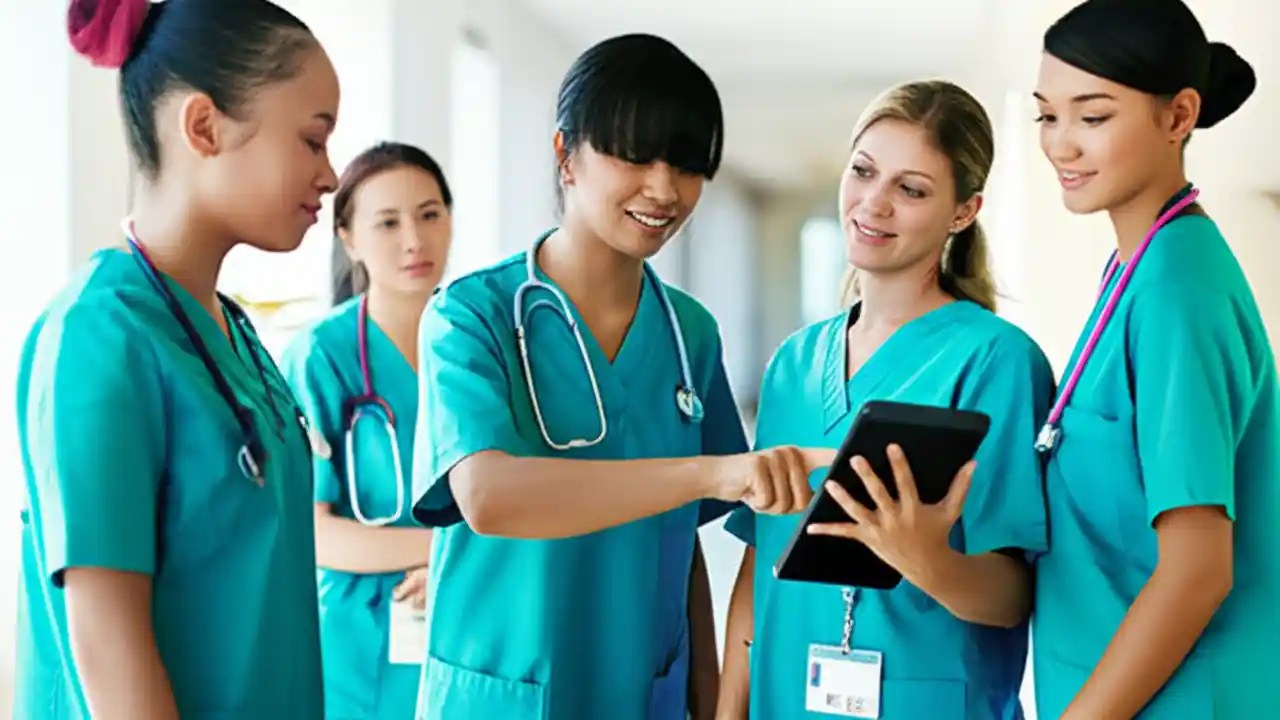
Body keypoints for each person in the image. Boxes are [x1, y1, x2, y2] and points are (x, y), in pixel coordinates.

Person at [408, 33, 832, 720]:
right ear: (564, 157)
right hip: (503, 692)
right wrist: (710, 473)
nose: (664, 189)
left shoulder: (688, 333)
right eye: (634, 156)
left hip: (644, 691)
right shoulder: (469, 316)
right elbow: (488, 495)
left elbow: (681, 535)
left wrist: (708, 696)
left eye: (689, 164)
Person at [13, 0, 339, 718]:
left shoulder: (236, 337)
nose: (332, 176)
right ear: (203, 126)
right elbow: (106, 643)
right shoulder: (99, 336)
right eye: (313, 141)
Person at [717, 80, 1055, 720]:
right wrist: (729, 709)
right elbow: (759, 563)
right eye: (864, 171)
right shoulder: (794, 363)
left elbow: (1013, 594)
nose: (873, 203)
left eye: (912, 189)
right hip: (784, 699)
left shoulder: (995, 360)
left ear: (963, 211)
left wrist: (927, 559)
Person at [1031, 1, 1275, 717]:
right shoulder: (1138, 270)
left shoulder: (1177, 289)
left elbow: (1197, 569)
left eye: (1092, 116)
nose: (1061, 144)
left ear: (1178, 118)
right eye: (1046, 115)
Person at [281, 142, 452, 719]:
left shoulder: (482, 348)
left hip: (470, 625)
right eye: (387, 222)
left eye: (430, 214)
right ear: (348, 238)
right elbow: (313, 533)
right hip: (358, 645)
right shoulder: (320, 357)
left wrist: (461, 564)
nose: (414, 240)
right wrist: (454, 550)